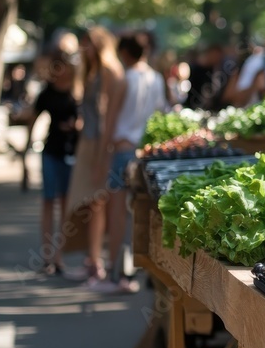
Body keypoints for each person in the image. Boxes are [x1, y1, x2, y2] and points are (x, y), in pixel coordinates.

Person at [92, 33, 169, 292]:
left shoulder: (125, 79)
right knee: (143, 216)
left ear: (125, 53)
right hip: (145, 154)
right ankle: (139, 272)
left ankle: (116, 274)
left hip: (122, 152)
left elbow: (110, 120)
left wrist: (102, 156)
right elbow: (162, 114)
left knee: (117, 214)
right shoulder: (156, 78)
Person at [64, 26, 126, 282]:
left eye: (88, 44)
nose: (84, 49)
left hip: (98, 144)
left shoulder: (109, 71)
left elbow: (107, 118)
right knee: (89, 203)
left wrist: (102, 157)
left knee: (96, 203)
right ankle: (92, 259)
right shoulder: (94, 71)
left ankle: (98, 263)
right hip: (88, 142)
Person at [26, 49, 79, 275]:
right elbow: (32, 118)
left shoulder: (78, 90)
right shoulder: (47, 93)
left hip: (73, 153)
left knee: (66, 205)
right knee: (48, 202)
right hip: (51, 151)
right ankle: (47, 256)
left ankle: (60, 256)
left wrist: (78, 126)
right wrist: (25, 153)